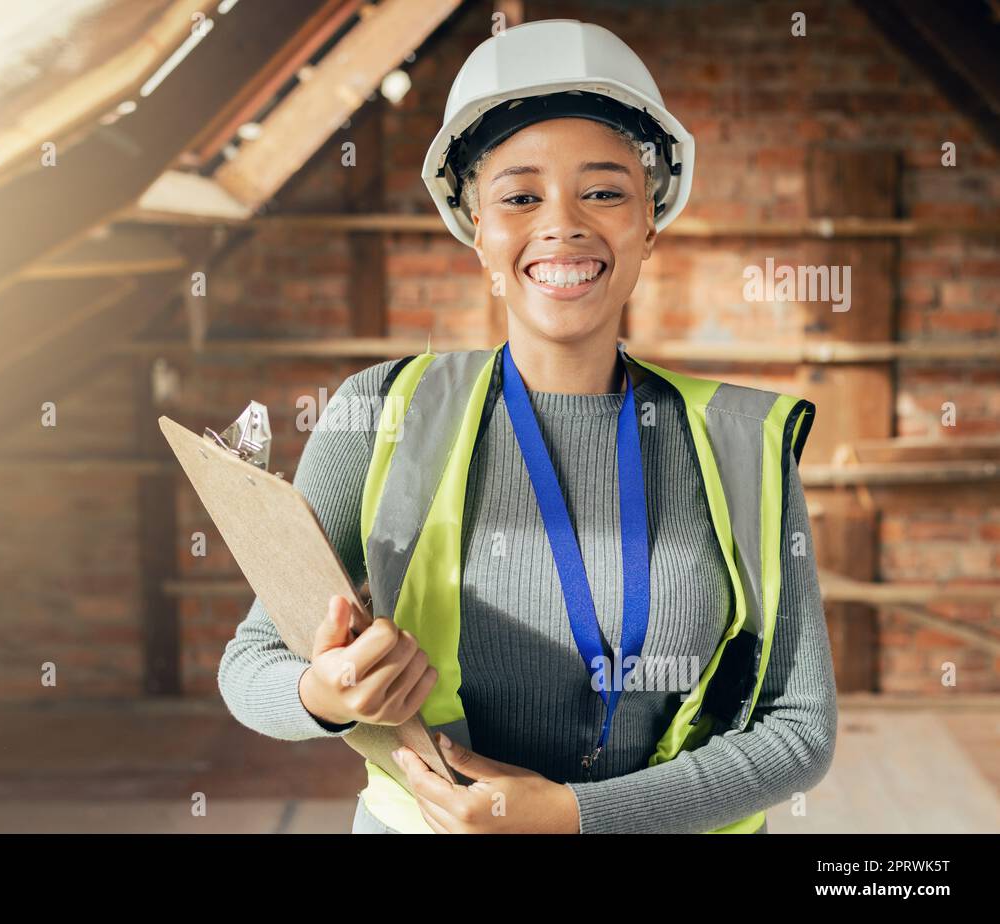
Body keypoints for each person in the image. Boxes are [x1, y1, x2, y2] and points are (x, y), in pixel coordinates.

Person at [217, 20, 838, 834]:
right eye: (519, 196)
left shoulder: (740, 443)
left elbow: (800, 730)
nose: (564, 223)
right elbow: (250, 666)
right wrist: (324, 694)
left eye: (605, 190)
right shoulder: (383, 412)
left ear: (650, 222)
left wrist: (577, 816)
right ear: (479, 231)